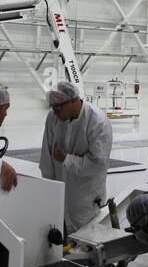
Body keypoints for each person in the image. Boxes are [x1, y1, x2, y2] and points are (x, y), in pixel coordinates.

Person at [39, 80, 111, 233]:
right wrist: (48, 190)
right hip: (59, 197)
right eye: (52, 107)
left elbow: (97, 164)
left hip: (86, 198)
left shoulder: (97, 122)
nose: (55, 112)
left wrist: (67, 159)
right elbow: (46, 158)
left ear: (73, 101)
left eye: (58, 108)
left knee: (85, 240)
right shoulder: (53, 117)